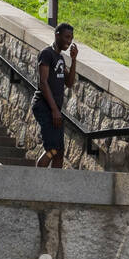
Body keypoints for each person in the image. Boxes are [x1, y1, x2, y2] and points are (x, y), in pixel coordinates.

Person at [32, 23, 78, 168]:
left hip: (54, 109)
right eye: (66, 37)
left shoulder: (60, 58)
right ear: (57, 35)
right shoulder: (47, 54)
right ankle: (37, 181)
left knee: (59, 152)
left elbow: (69, 82)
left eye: (71, 38)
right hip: (44, 106)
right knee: (52, 149)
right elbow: (43, 82)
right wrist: (54, 110)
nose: (69, 41)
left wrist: (74, 59)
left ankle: (53, 188)